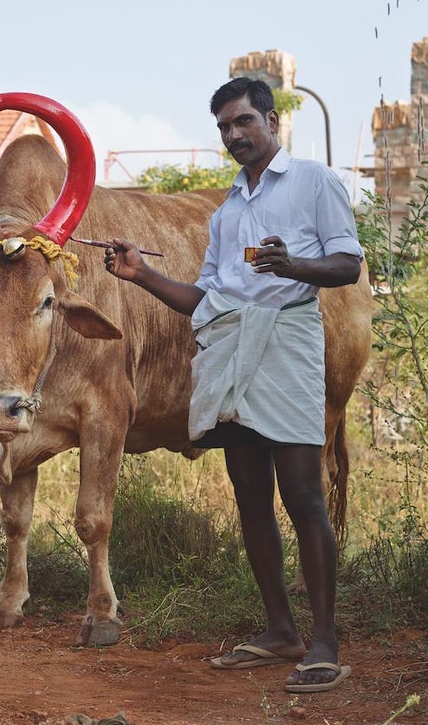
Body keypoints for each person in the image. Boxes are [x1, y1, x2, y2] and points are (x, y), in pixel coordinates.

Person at [104, 77, 362, 693]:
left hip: (289, 341)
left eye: (243, 121)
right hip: (228, 344)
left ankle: (323, 642)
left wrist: (294, 265)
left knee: (302, 494)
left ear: (272, 121)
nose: (233, 135)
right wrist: (139, 274)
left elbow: (347, 263)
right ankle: (280, 630)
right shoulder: (228, 212)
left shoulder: (314, 183)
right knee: (249, 494)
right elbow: (205, 298)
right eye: (223, 127)